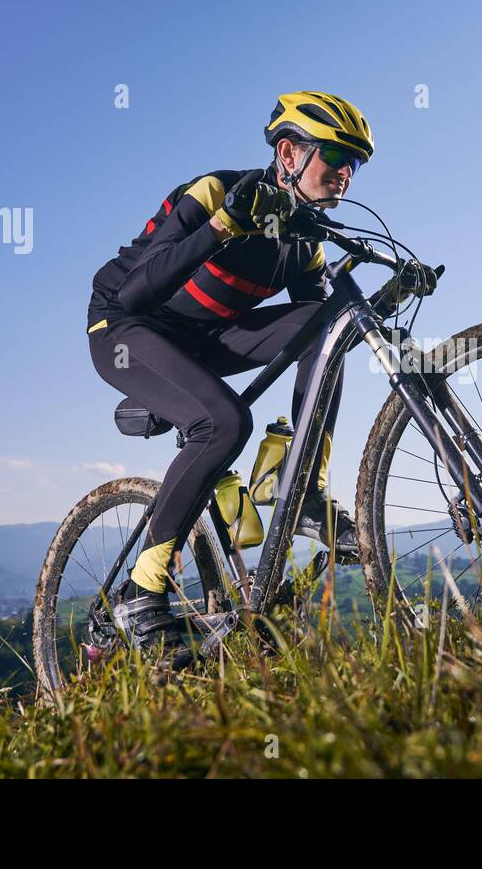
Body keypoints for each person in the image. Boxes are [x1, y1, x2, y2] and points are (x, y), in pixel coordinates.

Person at [86, 91, 378, 665]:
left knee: (330, 327)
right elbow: (136, 291)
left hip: (207, 338)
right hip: (125, 327)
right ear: (289, 152)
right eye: (336, 156)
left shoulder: (304, 240)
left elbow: (310, 333)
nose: (345, 172)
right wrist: (221, 226)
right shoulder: (217, 191)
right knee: (223, 422)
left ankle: (301, 490)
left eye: (356, 163)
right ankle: (143, 590)